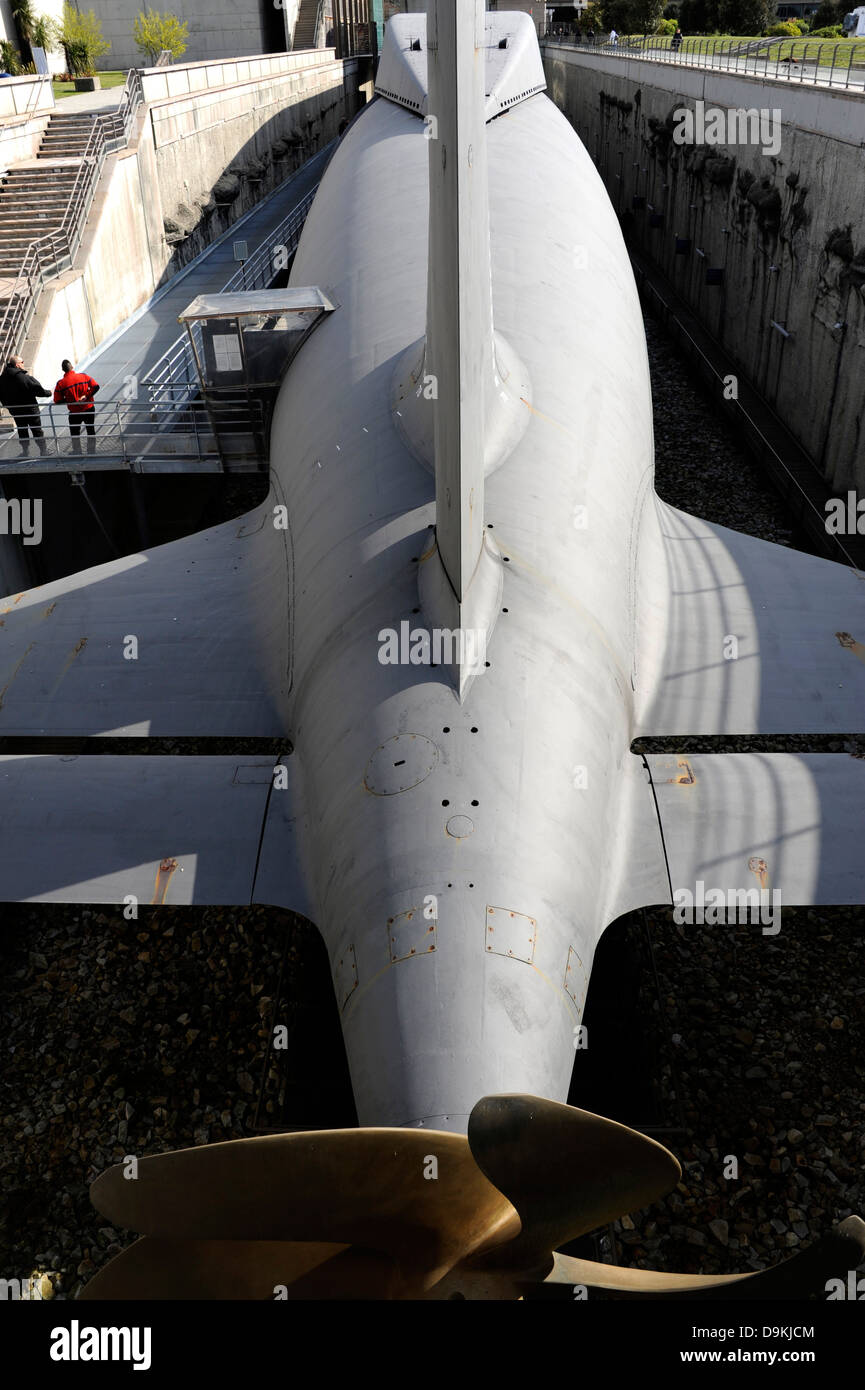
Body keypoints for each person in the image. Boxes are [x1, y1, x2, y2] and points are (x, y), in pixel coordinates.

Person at [0, 355, 51, 454]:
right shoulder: (23, 377)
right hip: (30, 410)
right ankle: (43, 451)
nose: (24, 364)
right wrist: (49, 393)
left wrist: (9, 407)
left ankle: (25, 451)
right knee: (37, 431)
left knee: (22, 431)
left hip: (16, 411)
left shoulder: (2, 379)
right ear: (18, 364)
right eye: (22, 362)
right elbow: (38, 390)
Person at [54, 358, 99, 452]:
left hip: (74, 412)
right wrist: (86, 396)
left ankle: (77, 451)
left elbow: (57, 400)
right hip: (88, 408)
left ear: (63, 370)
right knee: (90, 429)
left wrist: (70, 400)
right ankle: (91, 451)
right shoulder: (84, 376)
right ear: (72, 367)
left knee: (75, 432)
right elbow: (96, 386)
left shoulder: (61, 383)